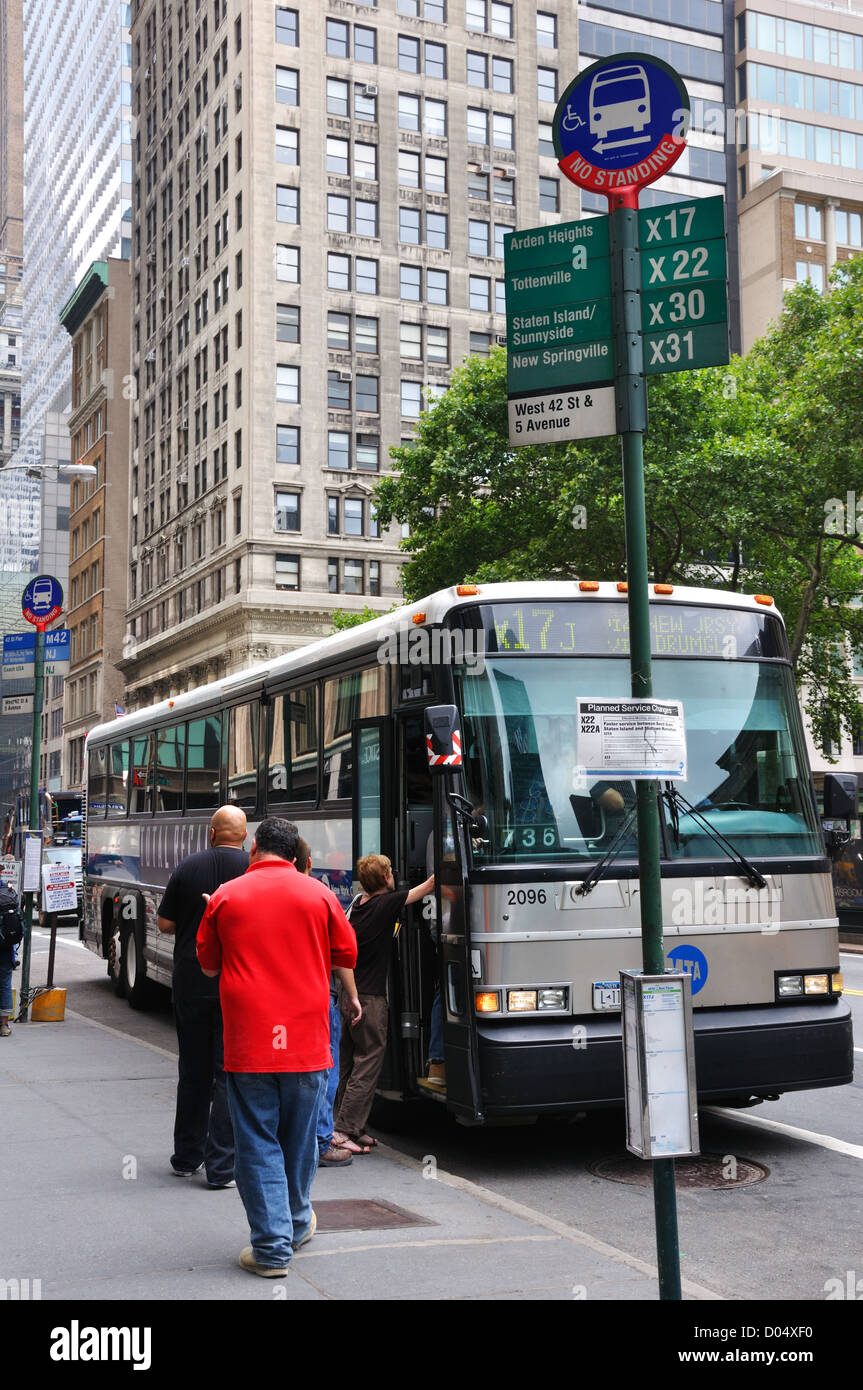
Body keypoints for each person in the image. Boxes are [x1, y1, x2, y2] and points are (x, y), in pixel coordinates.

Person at [197, 816, 361, 1278]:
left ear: (253, 850)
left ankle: (272, 1247)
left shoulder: (227, 897)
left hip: (250, 1042)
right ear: (295, 856)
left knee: (257, 1141)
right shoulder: (321, 894)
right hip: (306, 1039)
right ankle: (295, 1220)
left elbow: (209, 968)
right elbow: (346, 954)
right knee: (300, 1139)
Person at [157, 805, 249, 1187]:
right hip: (236, 988)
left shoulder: (187, 866)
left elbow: (164, 923)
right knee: (227, 1074)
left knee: (192, 1072)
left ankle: (186, 1156)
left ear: (211, 833)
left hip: (192, 983)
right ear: (245, 836)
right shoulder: (251, 870)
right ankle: (222, 1167)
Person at [334, 854, 434, 1151]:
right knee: (368, 1064)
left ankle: (348, 1125)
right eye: (390, 871)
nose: (394, 875)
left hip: (347, 993)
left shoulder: (358, 904)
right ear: (385, 878)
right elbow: (427, 888)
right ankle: (344, 1129)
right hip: (369, 999)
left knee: (347, 1065)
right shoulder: (385, 903)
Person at [295, 838, 353, 1168]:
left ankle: (293, 1141)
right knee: (324, 1071)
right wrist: (354, 996)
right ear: (309, 864)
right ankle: (320, 1140)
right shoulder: (321, 897)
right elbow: (344, 953)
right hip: (318, 998)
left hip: (276, 1004)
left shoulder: (256, 893)